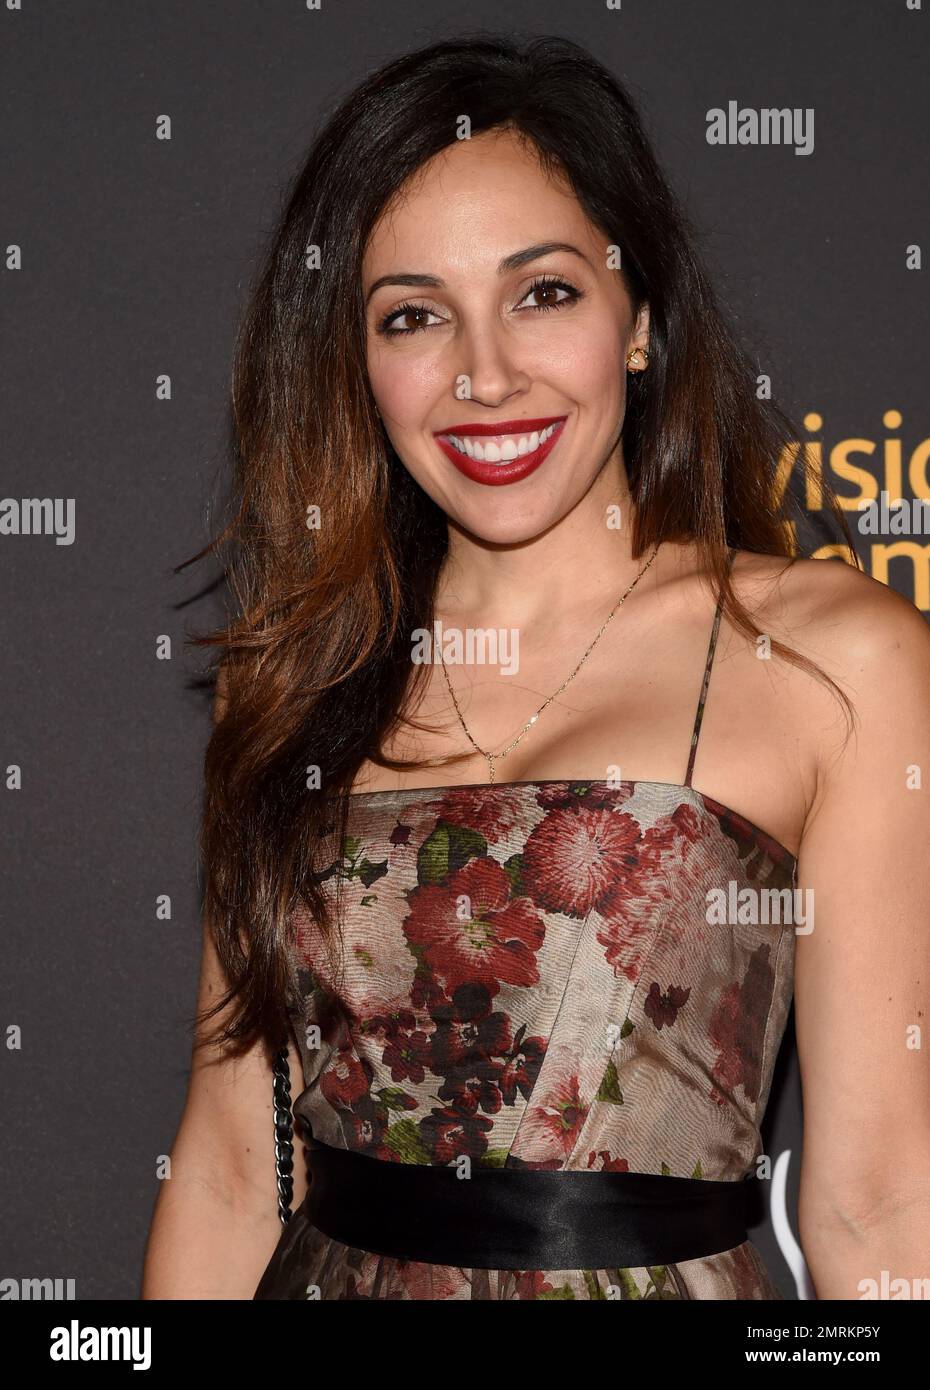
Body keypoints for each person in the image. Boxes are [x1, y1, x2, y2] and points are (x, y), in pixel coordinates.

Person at [142, 34, 930, 1301]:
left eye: (543, 292)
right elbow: (235, 1167)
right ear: (359, 368)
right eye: (414, 316)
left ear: (640, 320)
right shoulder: (295, 674)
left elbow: (882, 1202)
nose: (485, 373)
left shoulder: (836, 660)